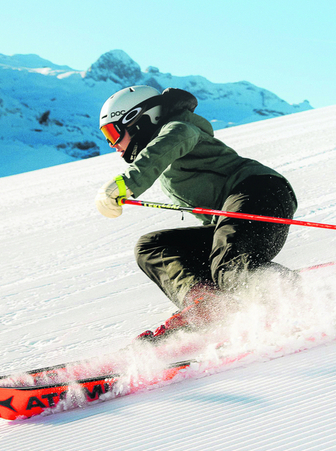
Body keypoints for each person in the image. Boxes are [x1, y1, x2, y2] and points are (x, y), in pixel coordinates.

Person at [94, 85, 298, 341]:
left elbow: (170, 142)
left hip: (260, 192)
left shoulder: (179, 129)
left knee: (229, 268)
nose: (112, 145)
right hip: (239, 213)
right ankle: (207, 305)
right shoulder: (171, 153)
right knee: (151, 247)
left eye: (113, 133)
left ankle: (298, 296)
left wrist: (125, 184)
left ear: (140, 120)